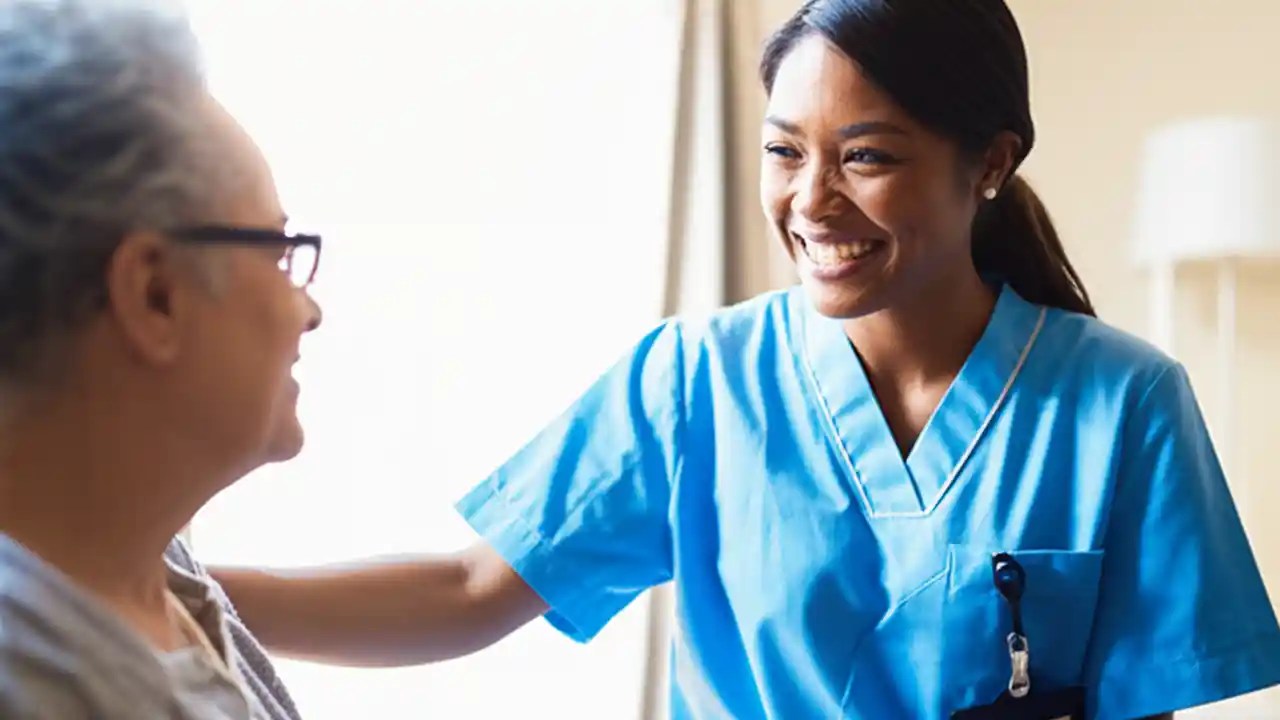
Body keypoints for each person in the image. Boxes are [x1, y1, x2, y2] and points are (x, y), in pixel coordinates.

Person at [211, 1, 1280, 718]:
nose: (808, 202)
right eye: (783, 150)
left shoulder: (1122, 406)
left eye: (864, 156)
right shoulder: (693, 381)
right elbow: (467, 586)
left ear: (989, 162)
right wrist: (168, 583)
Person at [0, 1, 319, 717]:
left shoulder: (149, 573)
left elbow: (462, 587)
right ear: (155, 293)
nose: (309, 310)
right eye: (277, 252)